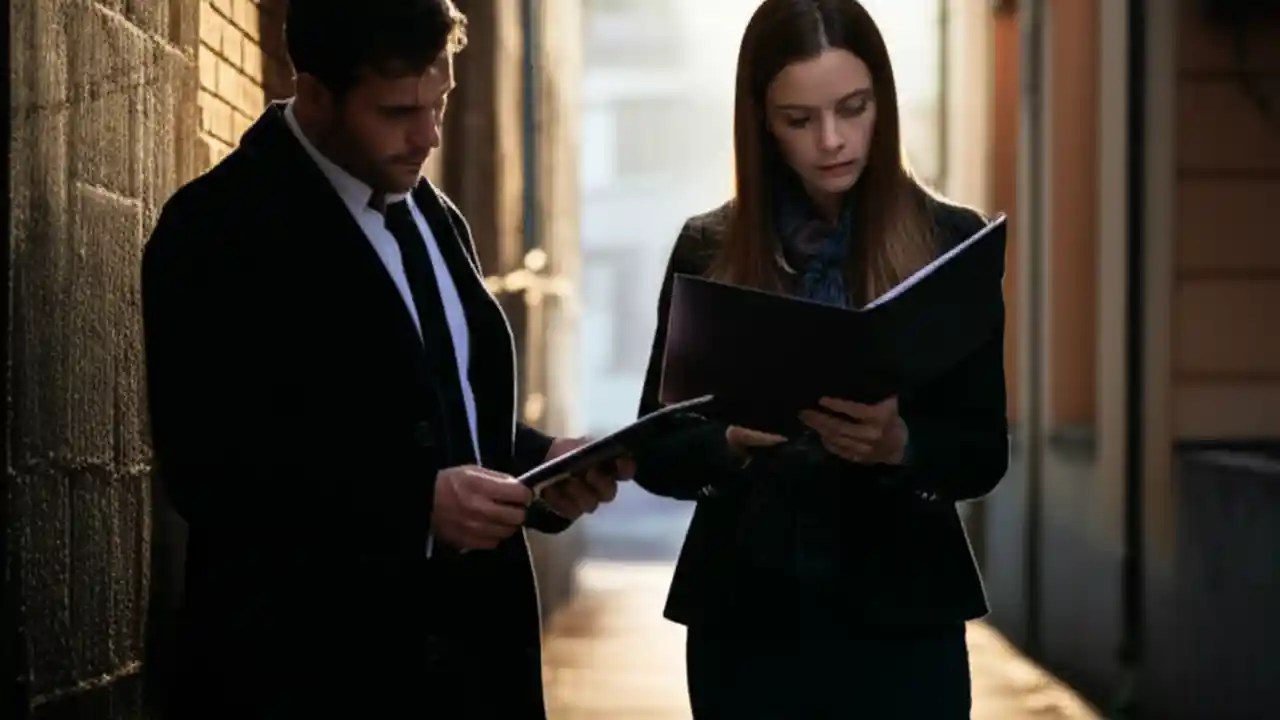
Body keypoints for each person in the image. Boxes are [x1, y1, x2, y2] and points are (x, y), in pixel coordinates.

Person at [140, 1, 628, 717]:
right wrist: (412, 509)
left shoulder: (433, 215)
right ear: (314, 95)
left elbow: (443, 420)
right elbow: (212, 474)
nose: (427, 135)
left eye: (442, 102)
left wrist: (543, 466)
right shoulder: (214, 231)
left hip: (471, 673)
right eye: (398, 111)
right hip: (313, 676)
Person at [632, 0, 1009, 717]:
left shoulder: (949, 241)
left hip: (903, 624)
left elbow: (983, 451)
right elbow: (656, 449)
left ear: (884, 104)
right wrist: (727, 446)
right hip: (747, 622)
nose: (832, 141)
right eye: (799, 120)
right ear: (762, 124)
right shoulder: (709, 247)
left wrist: (903, 445)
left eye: (854, 108)